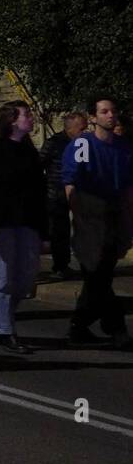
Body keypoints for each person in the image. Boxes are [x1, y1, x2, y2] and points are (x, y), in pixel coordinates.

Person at [0, 101, 48, 354]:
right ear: (13, 120)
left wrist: (43, 229)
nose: (31, 118)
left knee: (26, 279)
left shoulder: (29, 152)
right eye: (27, 114)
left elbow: (39, 192)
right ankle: (5, 330)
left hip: (28, 223)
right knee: (3, 277)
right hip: (1, 224)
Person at [63, 96, 133, 349]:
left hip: (114, 212)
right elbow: (71, 181)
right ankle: (116, 326)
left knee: (99, 276)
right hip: (90, 213)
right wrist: (77, 215)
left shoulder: (123, 147)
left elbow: (127, 187)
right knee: (97, 272)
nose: (110, 115)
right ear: (93, 117)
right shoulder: (83, 144)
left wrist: (128, 219)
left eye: (113, 111)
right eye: (104, 112)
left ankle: (79, 326)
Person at [40, 111, 88, 277]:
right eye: (81, 128)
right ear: (70, 128)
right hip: (56, 193)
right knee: (60, 231)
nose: (84, 131)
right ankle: (61, 265)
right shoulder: (54, 143)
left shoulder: (83, 143)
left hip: (79, 192)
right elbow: (40, 164)